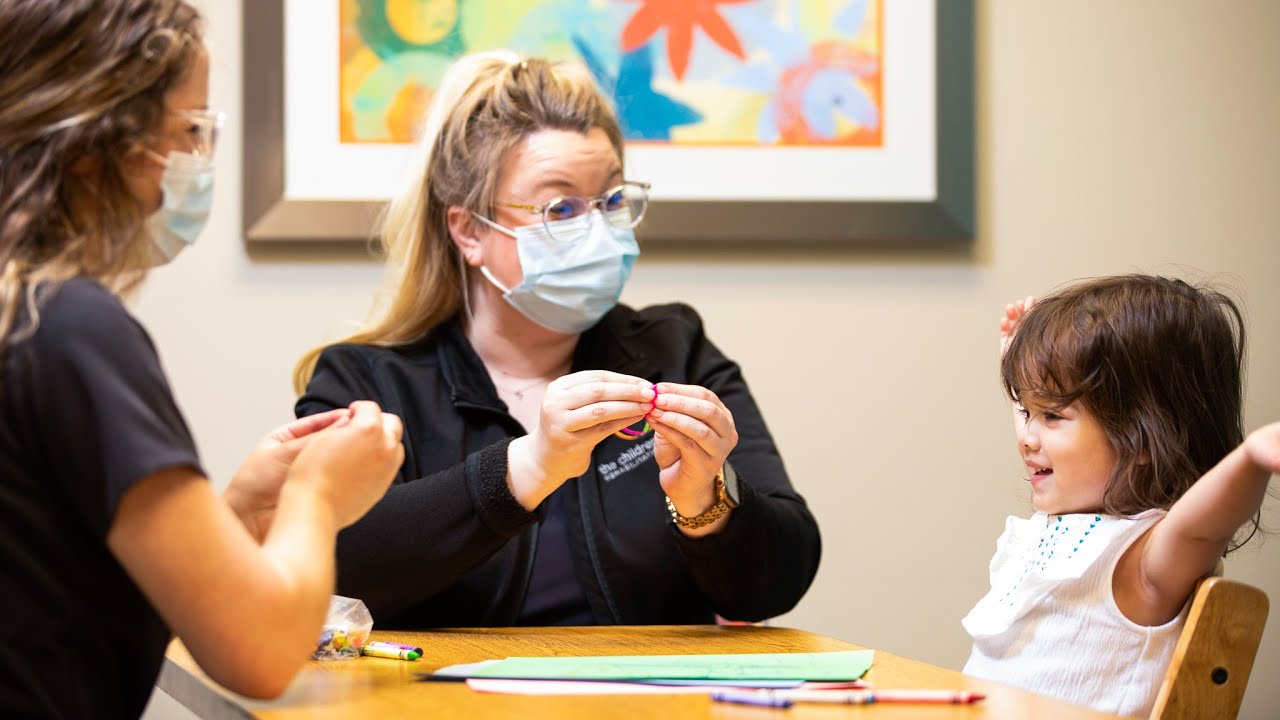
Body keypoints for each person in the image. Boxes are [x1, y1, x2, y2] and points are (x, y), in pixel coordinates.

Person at [292, 50, 821, 628]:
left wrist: (705, 504)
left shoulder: (673, 350)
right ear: (468, 230)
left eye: (612, 200)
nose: (596, 228)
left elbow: (781, 580)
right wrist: (530, 465)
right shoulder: (367, 383)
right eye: (560, 207)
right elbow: (332, 566)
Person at [0, 2, 404, 717]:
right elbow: (260, 652)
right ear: (97, 142)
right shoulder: (70, 326)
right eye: (190, 130)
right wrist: (317, 498)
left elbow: (55, 581)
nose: (198, 160)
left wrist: (239, 512)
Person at [961, 275, 1279, 717]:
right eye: (1024, 409)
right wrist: (1018, 365)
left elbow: (1202, 525)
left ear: (1144, 439)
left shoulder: (1141, 557)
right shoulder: (1058, 530)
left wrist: (1251, 462)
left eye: (1051, 415)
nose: (1026, 438)